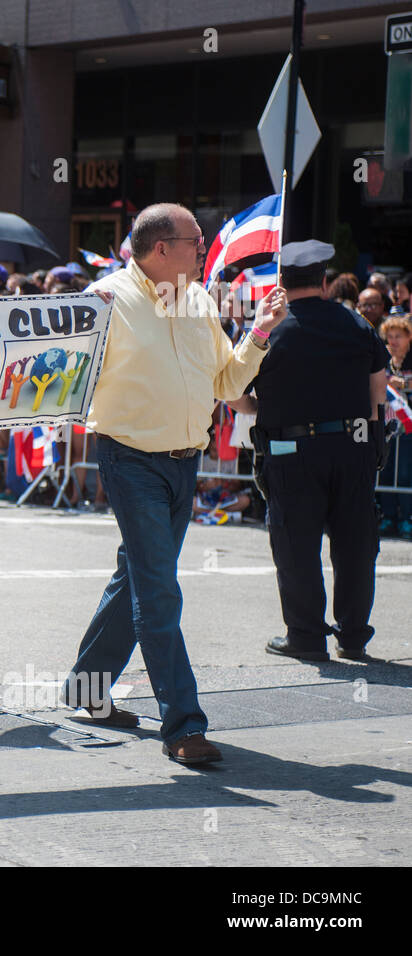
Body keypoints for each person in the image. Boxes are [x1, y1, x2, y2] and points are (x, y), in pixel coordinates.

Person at [61, 202, 283, 766]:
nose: (205, 246)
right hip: (130, 459)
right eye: (195, 239)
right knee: (158, 591)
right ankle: (183, 724)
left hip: (184, 462)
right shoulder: (106, 299)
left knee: (137, 577)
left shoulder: (200, 300)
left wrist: (259, 332)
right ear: (161, 249)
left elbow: (227, 381)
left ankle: (85, 688)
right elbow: (59, 369)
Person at [232, 241, 389, 663]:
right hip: (353, 446)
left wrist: (261, 409)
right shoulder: (357, 325)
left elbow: (233, 393)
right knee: (355, 545)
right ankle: (353, 636)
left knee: (296, 544)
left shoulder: (270, 330)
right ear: (323, 281)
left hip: (289, 449)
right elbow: (379, 391)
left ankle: (305, 636)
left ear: (281, 283)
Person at [379, 314, 412, 537]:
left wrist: (406, 383)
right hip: (386, 426)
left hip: (407, 426)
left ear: (408, 337)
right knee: (386, 472)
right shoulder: (383, 360)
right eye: (389, 336)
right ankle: (388, 516)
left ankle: (406, 518)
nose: (393, 341)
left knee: (404, 474)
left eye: (398, 336)